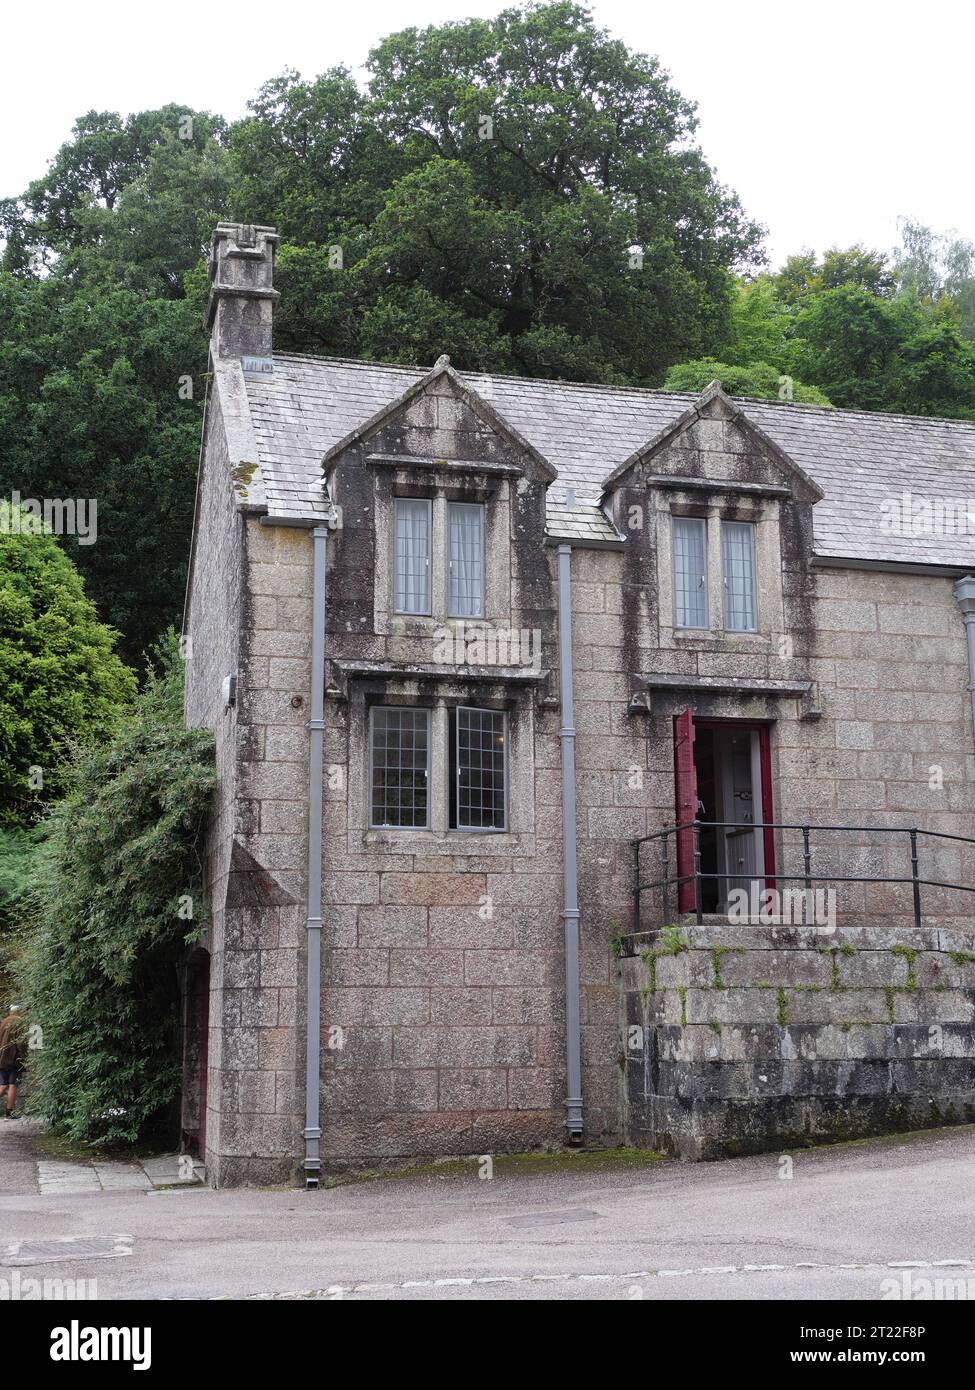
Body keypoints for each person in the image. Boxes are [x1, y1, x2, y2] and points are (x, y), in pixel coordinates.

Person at [0, 1002, 26, 1118]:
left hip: (1, 1058)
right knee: (13, 1084)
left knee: (4, 1084)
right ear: (19, 1011)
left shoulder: (3, 1022)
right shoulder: (19, 1022)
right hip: (13, 1058)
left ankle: (10, 1110)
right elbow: (20, 1042)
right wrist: (23, 1057)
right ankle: (10, 1111)